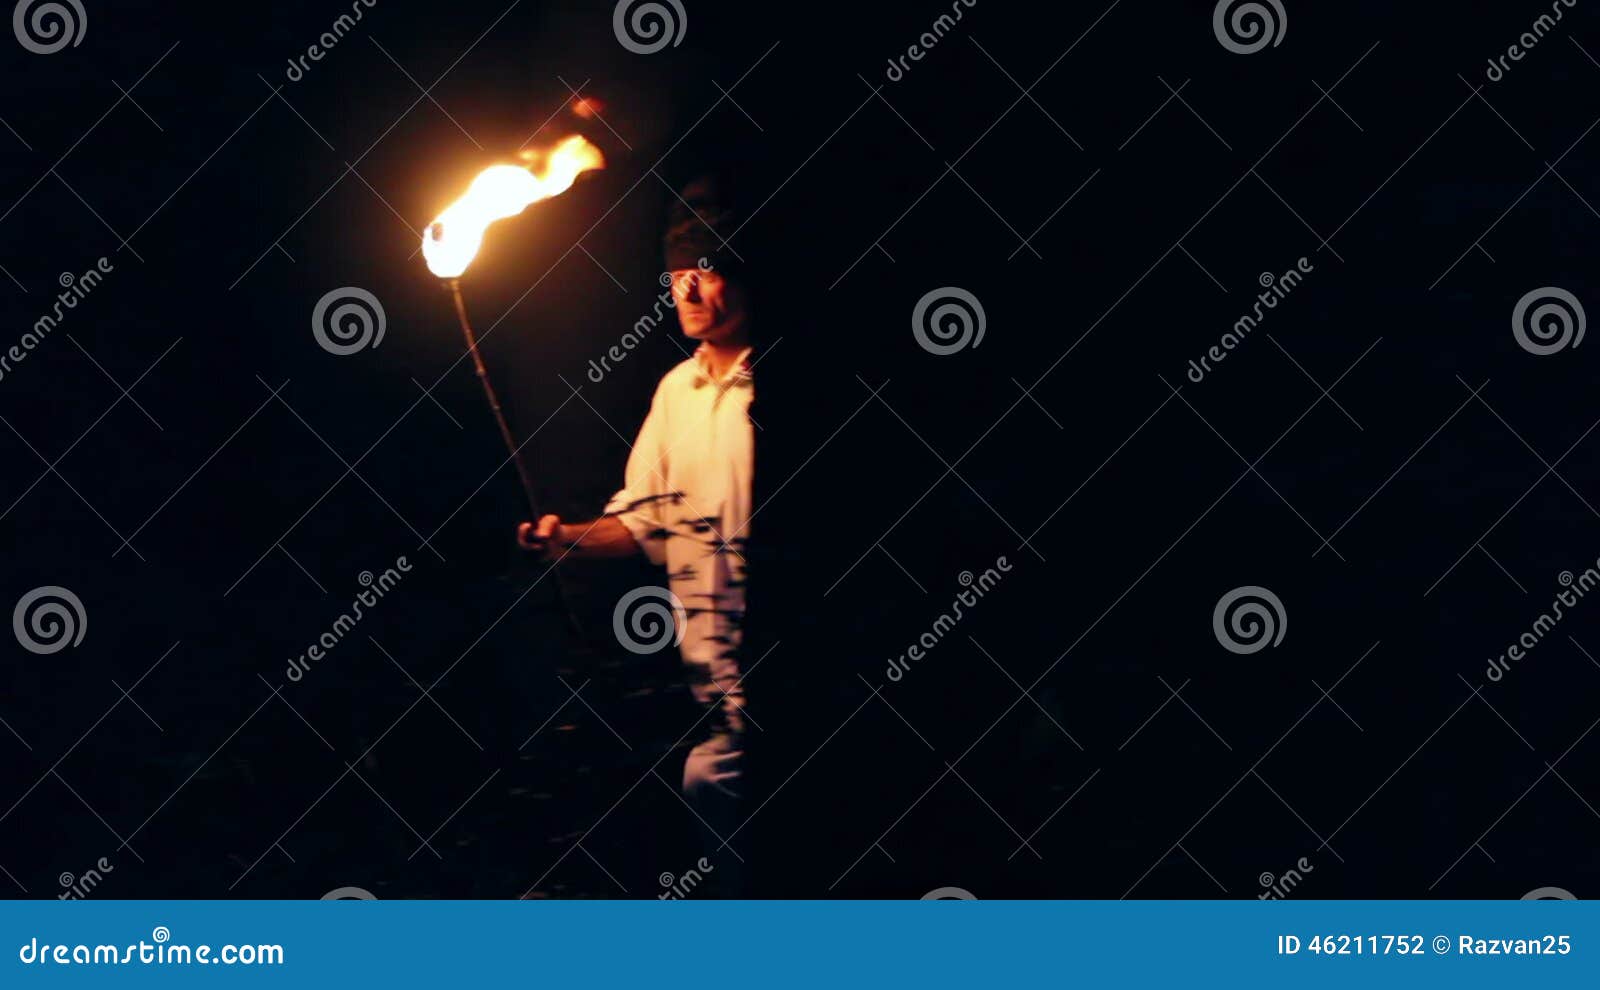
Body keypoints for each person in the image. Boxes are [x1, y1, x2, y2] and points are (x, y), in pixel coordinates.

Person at [516, 177, 755, 883]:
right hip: (713, 686)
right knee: (712, 797)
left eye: (705, 274)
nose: (685, 292)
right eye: (677, 276)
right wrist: (567, 537)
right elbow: (642, 521)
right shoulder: (675, 394)